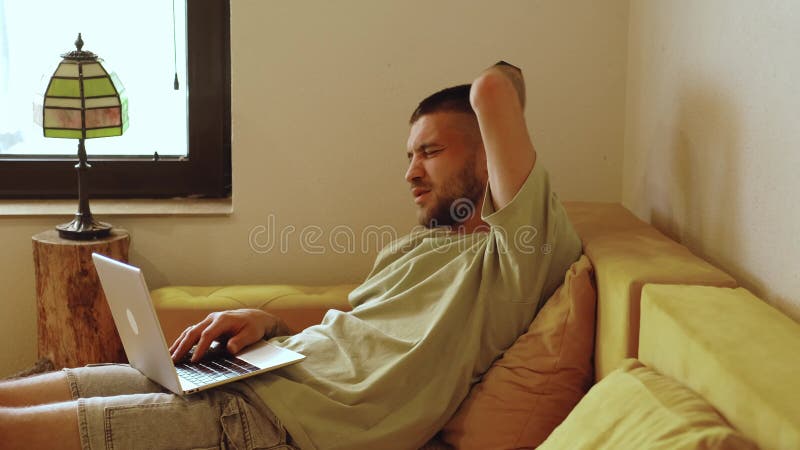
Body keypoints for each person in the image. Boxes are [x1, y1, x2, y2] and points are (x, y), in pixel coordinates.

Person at [0, 61, 581, 450]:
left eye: (429, 152)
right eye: (409, 156)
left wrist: (495, 125)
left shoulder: (519, 251)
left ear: (487, 158)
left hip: (270, 425)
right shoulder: (423, 246)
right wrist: (270, 324)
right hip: (257, 375)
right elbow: (353, 335)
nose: (410, 173)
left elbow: (494, 89)